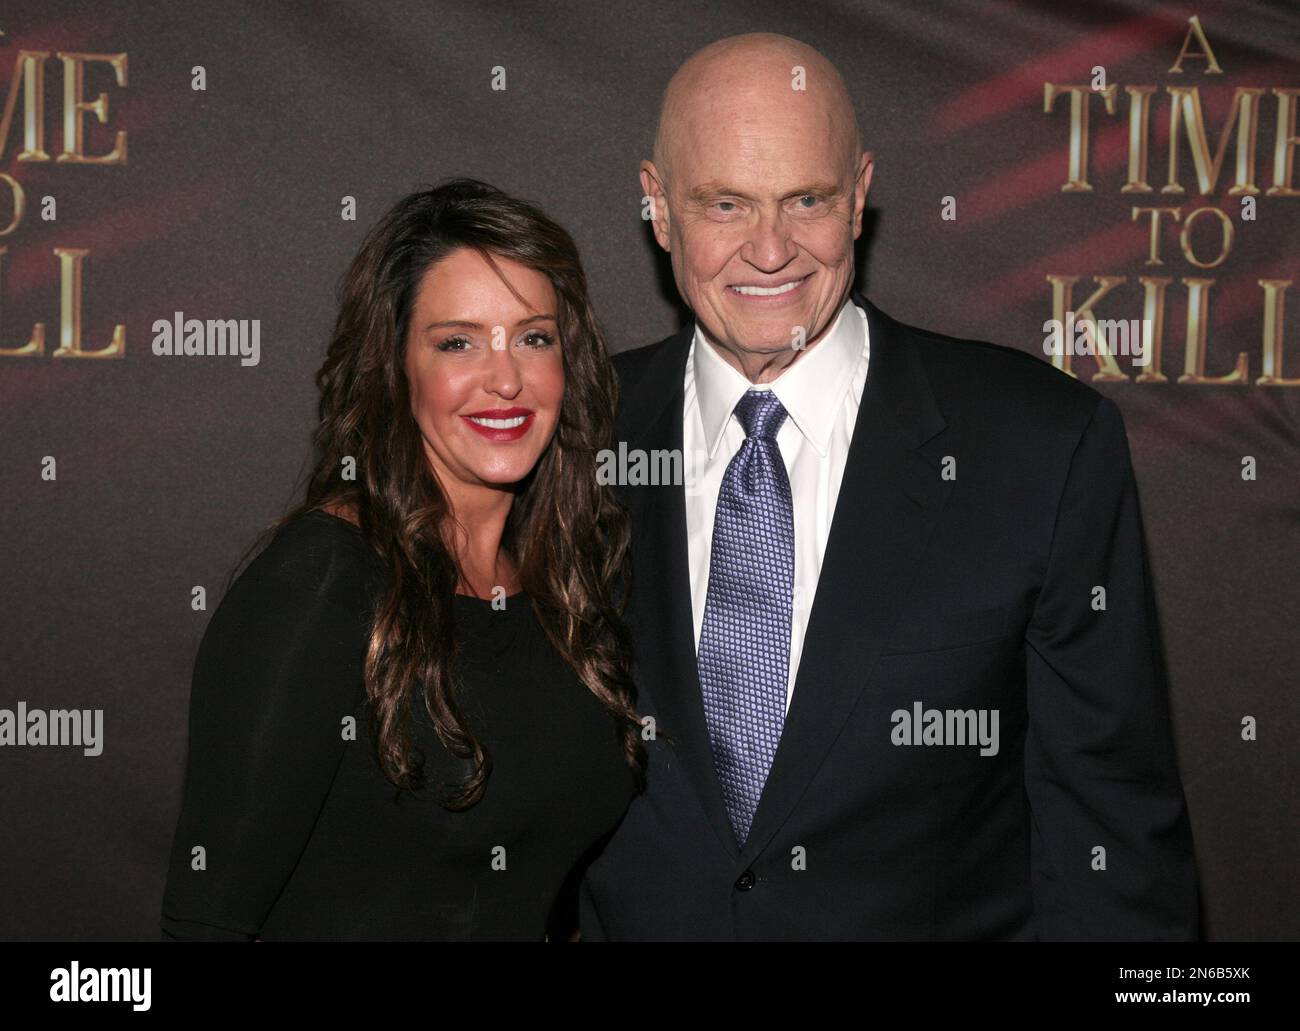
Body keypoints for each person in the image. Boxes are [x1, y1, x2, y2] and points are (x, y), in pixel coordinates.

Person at [579, 33, 1200, 940]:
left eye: (807, 199)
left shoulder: (1039, 445)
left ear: (859, 196)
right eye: (724, 203)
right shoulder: (571, 434)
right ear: (659, 207)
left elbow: (1113, 831)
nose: (770, 249)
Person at [160, 178, 643, 941]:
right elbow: (207, 924)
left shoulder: (565, 586)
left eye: (533, 336)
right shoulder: (322, 581)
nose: (505, 377)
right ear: (396, 366)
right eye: (458, 341)